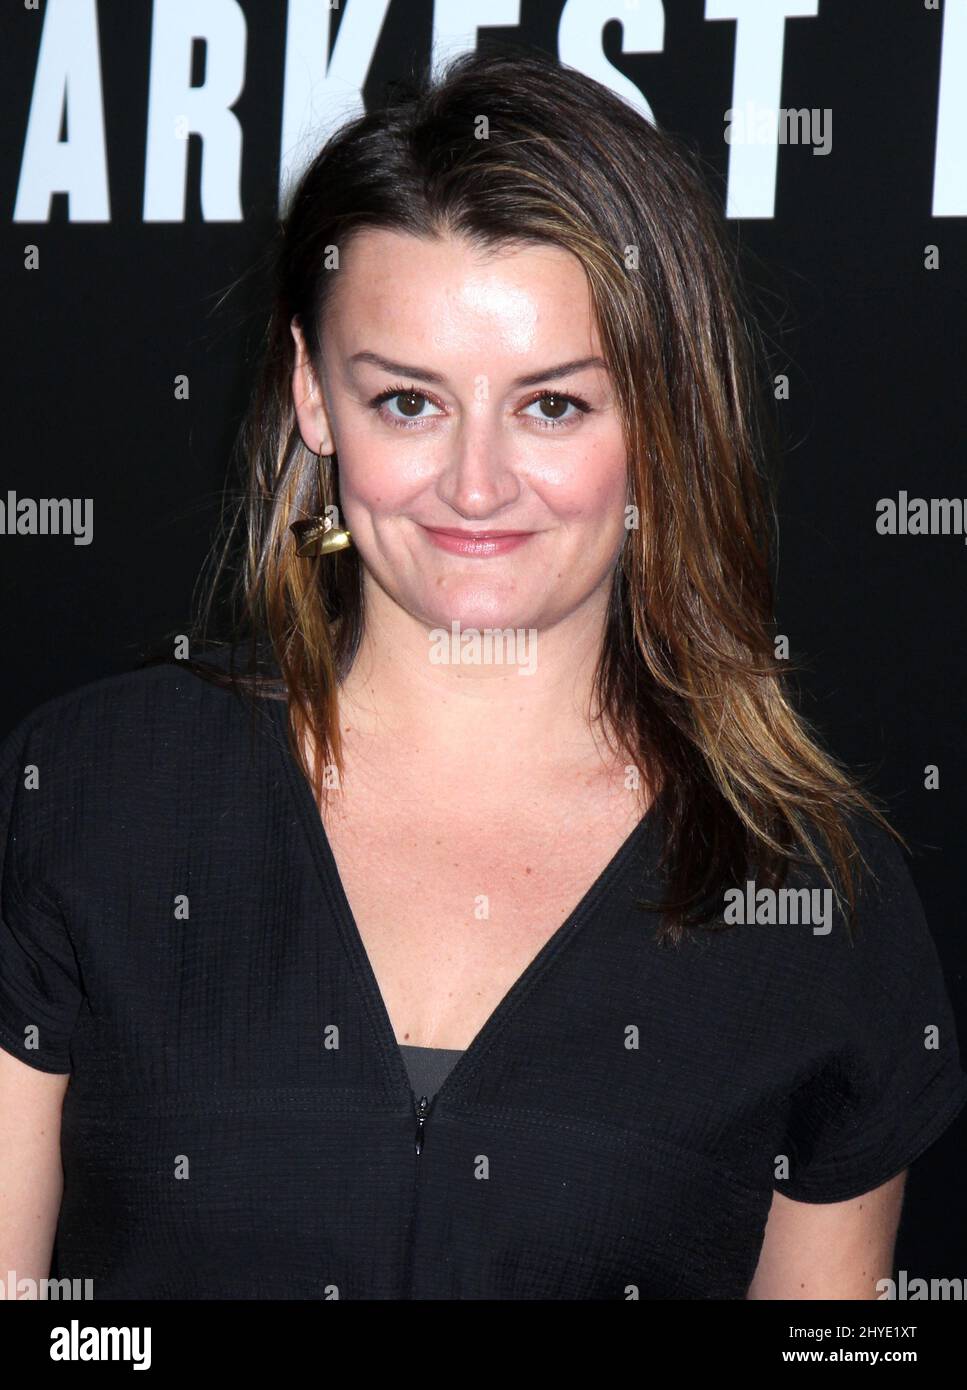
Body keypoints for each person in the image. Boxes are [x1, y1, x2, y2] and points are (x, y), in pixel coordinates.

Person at [1, 46, 965, 1302]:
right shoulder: (96, 791)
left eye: (551, 406)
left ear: (661, 417)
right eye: (409, 402)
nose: (474, 486)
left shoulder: (809, 896)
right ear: (311, 394)